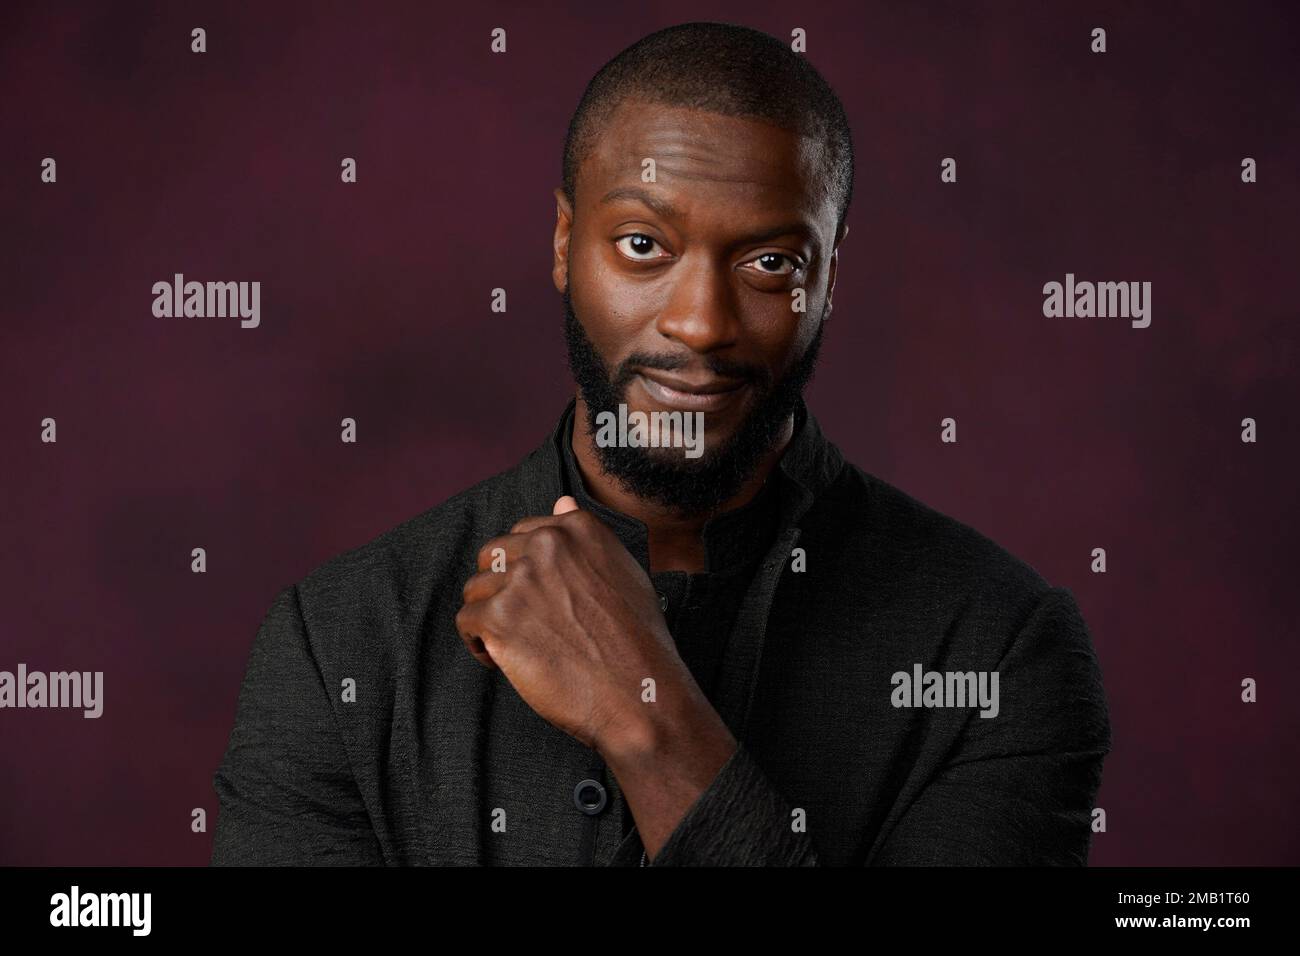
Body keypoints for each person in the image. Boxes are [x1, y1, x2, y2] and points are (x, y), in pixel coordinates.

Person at [211, 21, 1110, 866]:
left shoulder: (997, 653)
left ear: (831, 278)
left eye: (771, 265)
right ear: (566, 243)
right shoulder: (340, 647)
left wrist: (647, 714)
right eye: (643, 244)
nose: (700, 324)